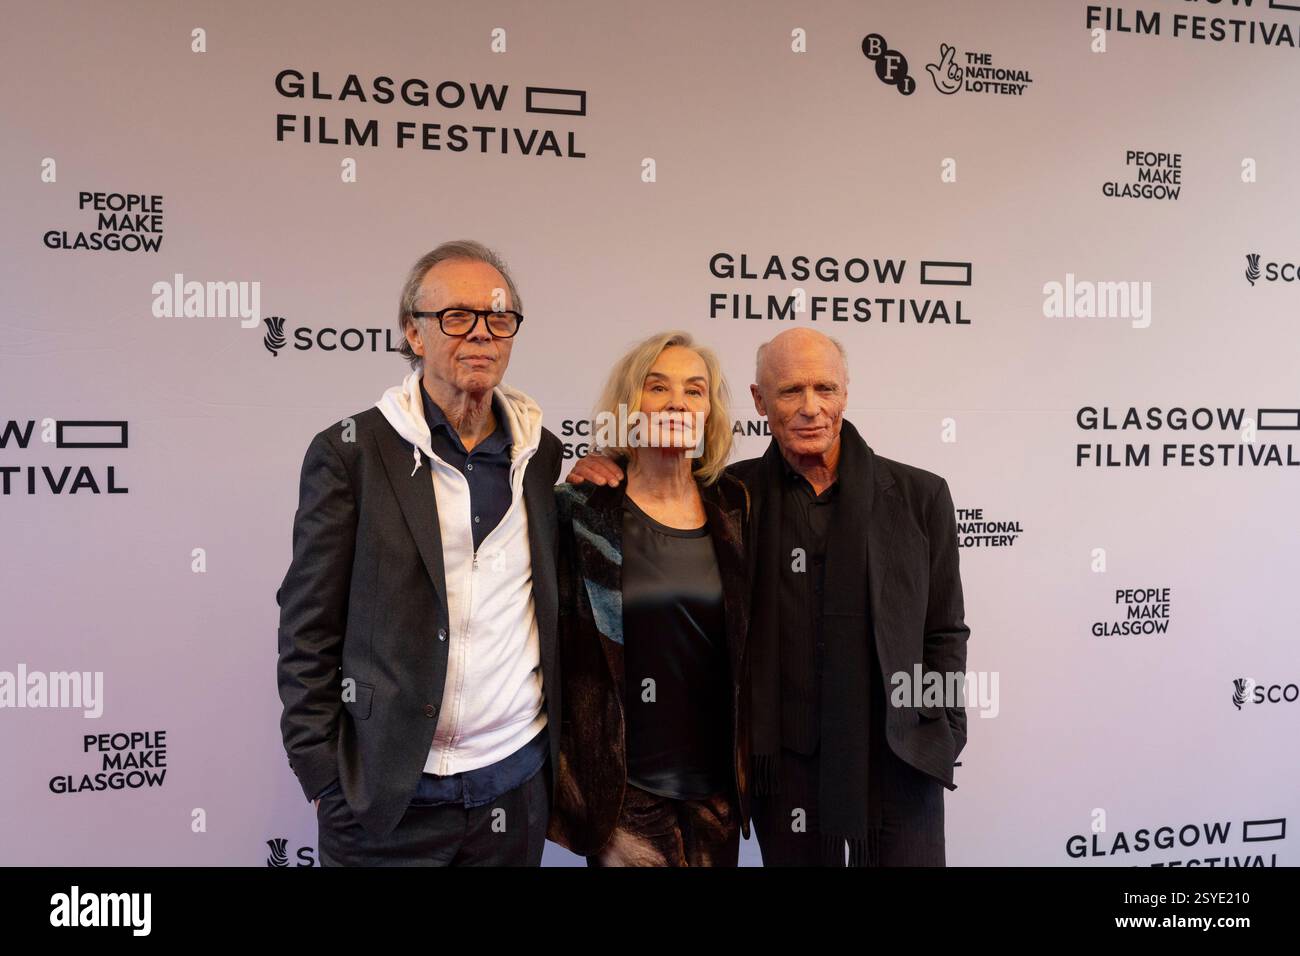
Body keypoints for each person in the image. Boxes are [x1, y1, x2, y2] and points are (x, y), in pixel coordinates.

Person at [568, 327, 969, 866]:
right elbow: (656, 489)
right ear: (759, 402)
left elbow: (944, 631)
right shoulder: (733, 497)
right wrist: (609, 465)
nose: (810, 408)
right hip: (786, 772)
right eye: (789, 392)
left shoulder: (920, 496)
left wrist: (943, 727)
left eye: (825, 389)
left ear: (845, 393)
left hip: (899, 758)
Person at [276, 240, 563, 865]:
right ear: (413, 331)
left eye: (499, 317)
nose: (481, 334)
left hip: (512, 789)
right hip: (387, 801)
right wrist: (325, 774)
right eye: (457, 316)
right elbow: (307, 626)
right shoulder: (350, 452)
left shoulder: (542, 456)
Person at [547, 331, 752, 866]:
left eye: (694, 389)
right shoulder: (579, 509)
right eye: (657, 387)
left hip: (716, 790)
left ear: (710, 410)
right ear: (628, 405)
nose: (677, 401)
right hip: (623, 793)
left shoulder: (737, 506)